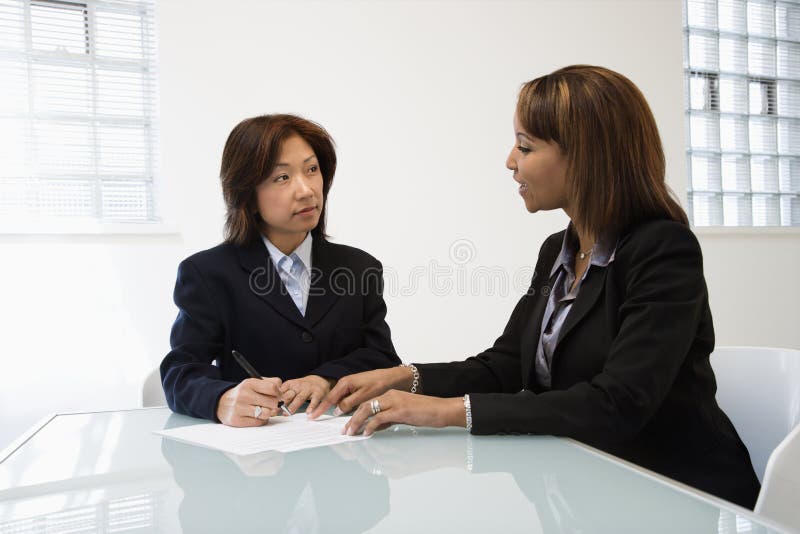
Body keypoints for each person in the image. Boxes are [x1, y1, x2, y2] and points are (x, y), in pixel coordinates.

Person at [311, 66, 761, 508]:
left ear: (586, 156)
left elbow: (617, 404)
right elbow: (507, 366)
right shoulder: (557, 250)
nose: (510, 161)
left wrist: (447, 412)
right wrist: (408, 377)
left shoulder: (662, 250)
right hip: (582, 482)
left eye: (525, 146)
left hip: (675, 493)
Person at [161, 114, 400, 427]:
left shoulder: (359, 267)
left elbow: (383, 359)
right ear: (246, 193)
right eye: (282, 177)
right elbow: (181, 372)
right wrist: (222, 400)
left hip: (345, 445)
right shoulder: (207, 273)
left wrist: (325, 379)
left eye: (312, 170)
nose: (306, 190)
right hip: (256, 459)